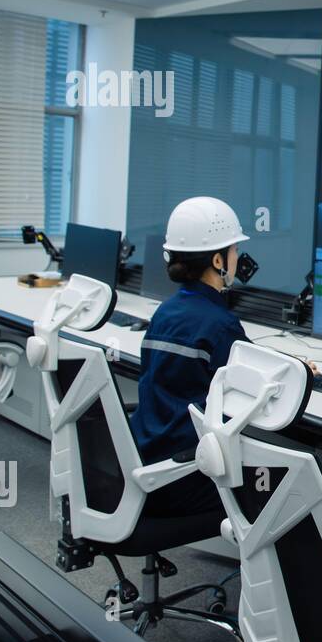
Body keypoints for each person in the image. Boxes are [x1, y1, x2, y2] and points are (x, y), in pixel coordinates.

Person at [130, 196, 266, 515]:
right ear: (218, 261)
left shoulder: (165, 313)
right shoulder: (219, 325)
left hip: (148, 457)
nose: (237, 257)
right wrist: (298, 371)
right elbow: (253, 386)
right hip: (186, 473)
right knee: (282, 485)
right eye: (233, 251)